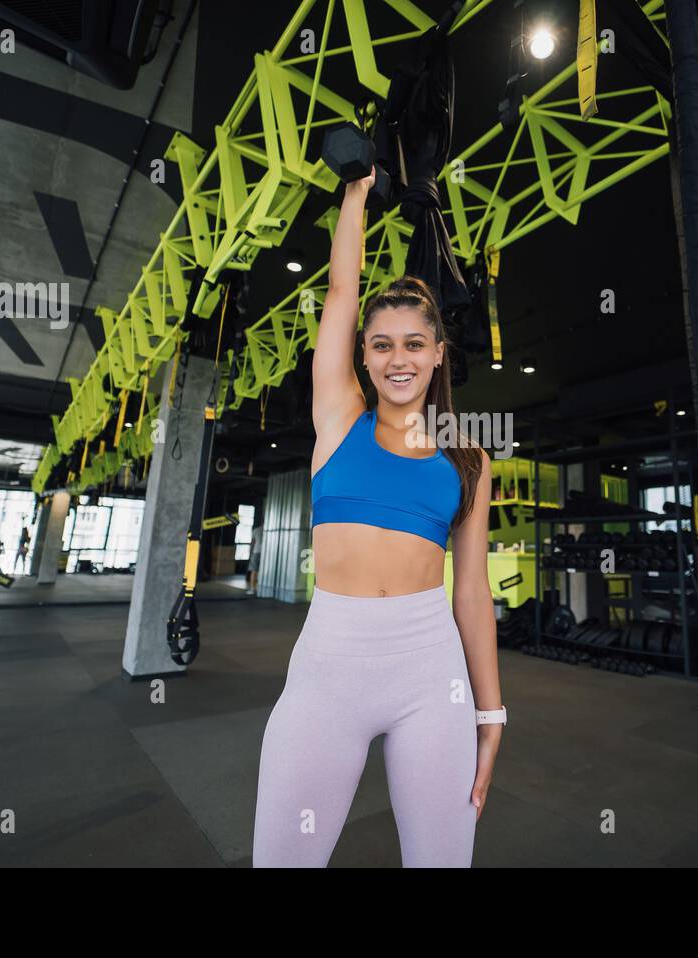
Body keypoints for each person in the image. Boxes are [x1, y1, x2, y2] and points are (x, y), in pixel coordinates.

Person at [252, 165, 505, 868]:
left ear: (438, 356)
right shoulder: (337, 417)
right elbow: (341, 290)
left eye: (414, 344)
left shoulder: (468, 460)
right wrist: (357, 196)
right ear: (362, 355)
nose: (399, 358)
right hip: (328, 666)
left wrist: (490, 713)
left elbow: (473, 592)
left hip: (432, 670)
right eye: (382, 344)